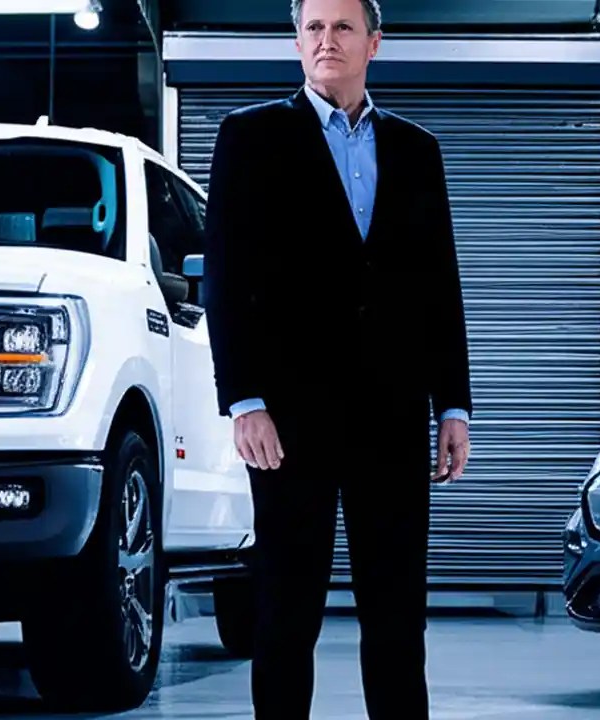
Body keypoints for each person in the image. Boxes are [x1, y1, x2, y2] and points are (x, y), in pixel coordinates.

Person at [202, 0, 472, 716]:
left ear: (374, 43)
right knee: (286, 616)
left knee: (396, 620)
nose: (327, 40)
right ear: (296, 42)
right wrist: (244, 399)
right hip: (290, 422)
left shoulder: (417, 151)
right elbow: (223, 278)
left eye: (343, 27)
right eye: (313, 28)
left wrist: (453, 403)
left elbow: (439, 282)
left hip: (391, 416)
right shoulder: (250, 138)